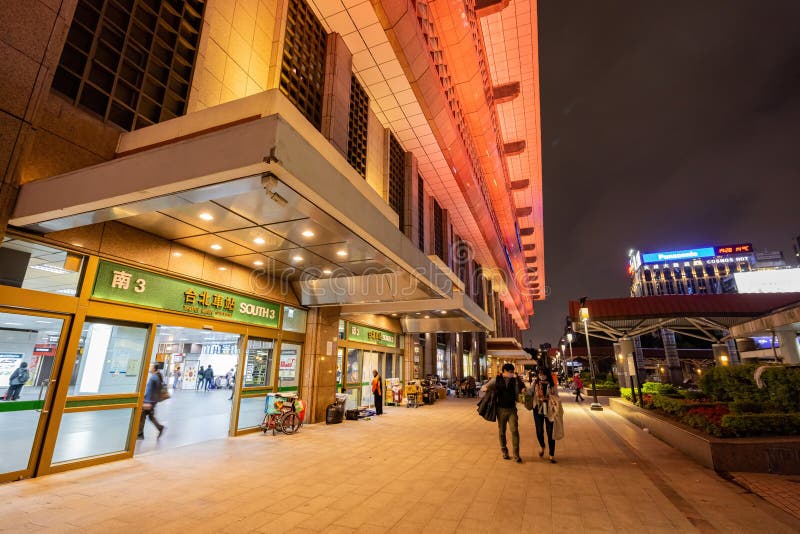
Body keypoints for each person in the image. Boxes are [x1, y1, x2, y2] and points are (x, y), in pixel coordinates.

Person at [482, 363, 526, 463]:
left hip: (512, 409)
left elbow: (521, 389)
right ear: (504, 371)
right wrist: (488, 389)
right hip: (500, 409)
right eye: (510, 372)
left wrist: (523, 391)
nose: (511, 374)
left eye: (512, 372)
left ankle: (516, 454)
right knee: (502, 431)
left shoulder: (515, 380)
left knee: (514, 430)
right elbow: (484, 388)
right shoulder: (496, 380)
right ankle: (504, 451)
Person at [532, 367, 558, 463]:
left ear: (547, 375)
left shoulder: (552, 385)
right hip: (537, 409)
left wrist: (551, 398)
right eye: (540, 374)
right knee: (539, 431)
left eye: (543, 374)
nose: (541, 376)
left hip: (549, 410)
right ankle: (542, 446)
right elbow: (529, 392)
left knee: (550, 432)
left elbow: (557, 397)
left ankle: (551, 454)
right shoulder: (535, 384)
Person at [138, 364, 166, 440]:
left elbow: (150, 391)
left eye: (151, 367)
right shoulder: (158, 377)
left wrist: (147, 401)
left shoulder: (153, 378)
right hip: (153, 401)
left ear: (154, 369)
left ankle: (140, 434)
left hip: (149, 401)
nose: (150, 368)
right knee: (151, 417)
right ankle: (160, 428)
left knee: (141, 416)